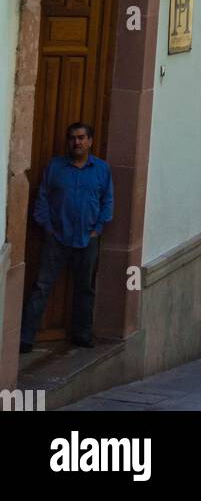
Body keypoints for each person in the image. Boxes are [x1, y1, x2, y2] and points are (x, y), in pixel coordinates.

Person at [20, 122, 114, 352]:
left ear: (90, 141)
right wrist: (48, 228)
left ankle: (82, 334)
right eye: (73, 138)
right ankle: (25, 337)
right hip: (57, 239)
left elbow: (107, 201)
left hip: (87, 238)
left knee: (85, 289)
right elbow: (42, 198)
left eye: (82, 138)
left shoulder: (102, 169)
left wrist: (97, 229)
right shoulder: (55, 167)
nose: (77, 142)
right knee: (41, 287)